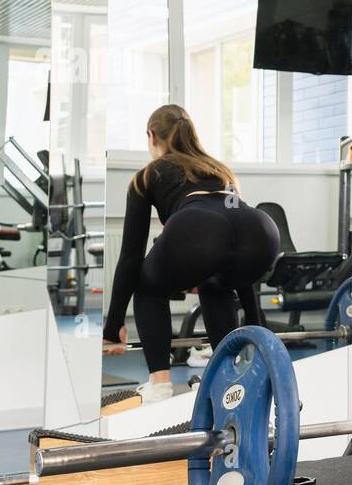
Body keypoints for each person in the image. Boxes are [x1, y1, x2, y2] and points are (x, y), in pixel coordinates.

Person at [101, 105, 281, 403]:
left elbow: (131, 257)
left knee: (146, 286)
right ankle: (227, 380)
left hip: (198, 228)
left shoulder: (148, 175)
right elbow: (240, 269)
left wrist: (113, 325)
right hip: (260, 229)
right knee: (217, 284)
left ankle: (159, 386)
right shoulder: (220, 170)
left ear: (152, 136)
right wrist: (254, 318)